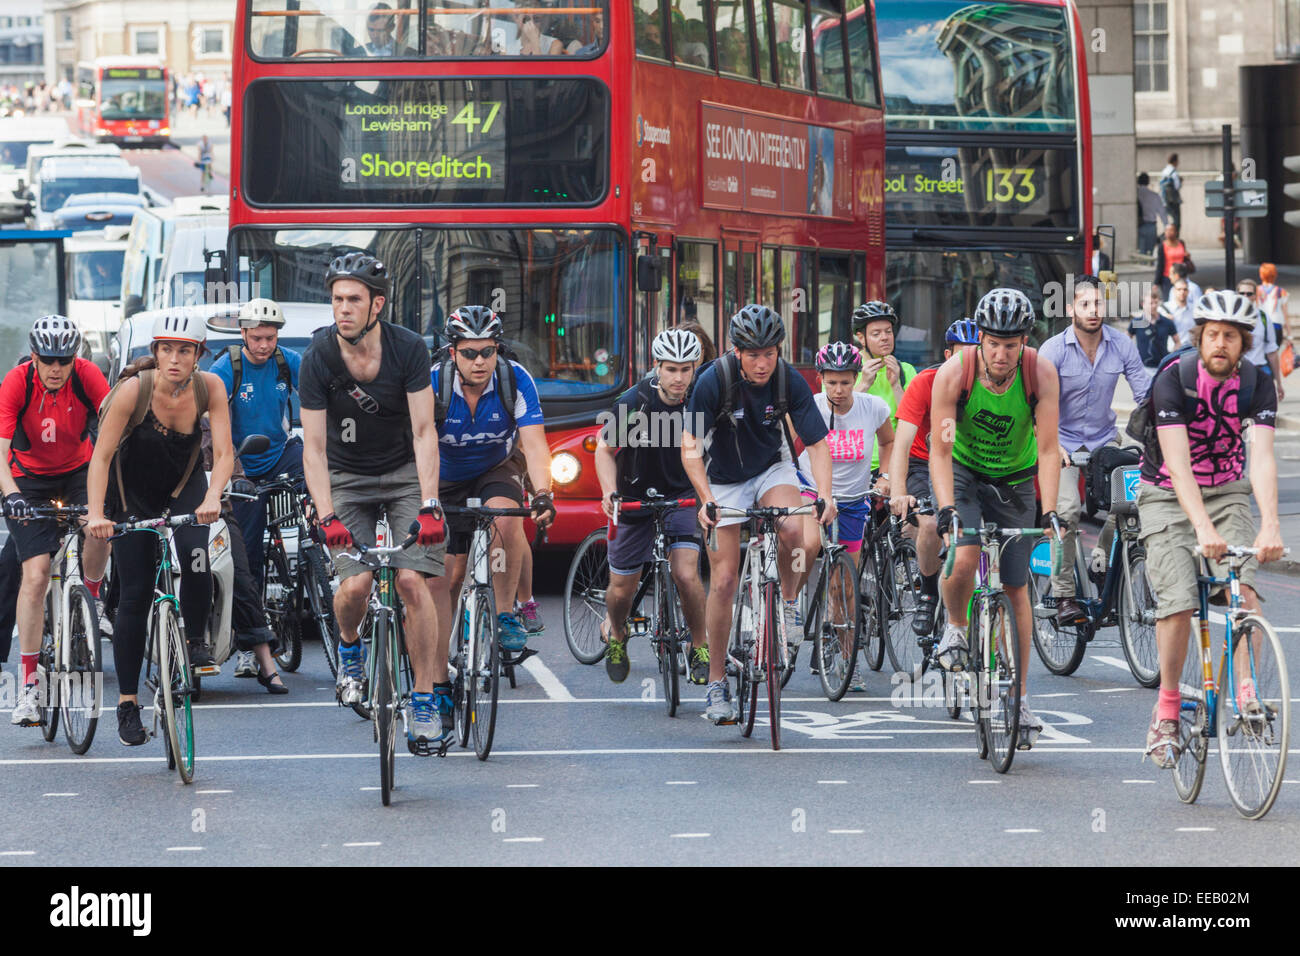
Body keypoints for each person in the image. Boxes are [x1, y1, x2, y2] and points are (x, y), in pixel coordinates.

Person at [298, 253, 448, 749]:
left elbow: (426, 432)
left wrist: (429, 504)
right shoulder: (318, 356)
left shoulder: (408, 349)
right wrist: (326, 516)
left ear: (377, 304)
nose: (343, 308)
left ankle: (424, 701)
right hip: (346, 478)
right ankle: (349, 650)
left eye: (354, 299)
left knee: (410, 582)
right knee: (356, 584)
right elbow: (313, 448)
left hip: (405, 475)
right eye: (337, 299)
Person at [1136, 291, 1283, 768]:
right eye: (1213, 335)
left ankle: (1246, 692)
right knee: (1178, 603)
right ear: (1199, 337)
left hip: (1227, 489)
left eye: (1232, 337)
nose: (1221, 344)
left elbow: (1260, 458)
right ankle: (1168, 711)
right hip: (1165, 493)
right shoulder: (1173, 379)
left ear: (1244, 344)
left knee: (1245, 592)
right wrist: (1200, 527)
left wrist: (1272, 526)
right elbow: (1177, 466)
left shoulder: (1258, 385)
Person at [681, 305, 836, 725]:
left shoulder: (787, 379)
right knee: (726, 579)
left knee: (800, 533)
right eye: (753, 355)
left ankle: (786, 603)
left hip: (771, 468)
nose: (763, 362)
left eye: (769, 352)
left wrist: (825, 494)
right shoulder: (713, 380)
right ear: (737, 351)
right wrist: (705, 498)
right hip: (723, 478)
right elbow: (690, 446)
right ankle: (716, 684)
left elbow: (818, 444)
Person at [86, 312, 234, 746]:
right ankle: (128, 703)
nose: (174, 358)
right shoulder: (134, 390)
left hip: (184, 484)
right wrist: (98, 514)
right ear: (155, 353)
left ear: (198, 355)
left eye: (184, 350)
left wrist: (212, 498)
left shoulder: (211, 387)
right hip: (131, 494)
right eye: (166, 349)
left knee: (196, 556)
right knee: (134, 595)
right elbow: (101, 457)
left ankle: (193, 641)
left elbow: (224, 453)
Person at [929, 289, 1062, 749]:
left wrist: (1049, 511)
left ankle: (1021, 699)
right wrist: (947, 508)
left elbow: (1048, 450)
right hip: (964, 472)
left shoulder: (1039, 372)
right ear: (980, 340)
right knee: (963, 559)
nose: (1002, 354)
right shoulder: (954, 374)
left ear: (1024, 341)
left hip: (1016, 478)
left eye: (1012, 344)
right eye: (994, 344)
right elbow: (941, 452)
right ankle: (956, 628)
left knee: (1016, 586)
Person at [424, 306, 555, 731]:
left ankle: (502, 613)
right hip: (442, 478)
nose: (480, 361)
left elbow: (534, 445)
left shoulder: (514, 378)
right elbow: (417, 444)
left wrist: (544, 493)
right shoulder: (432, 384)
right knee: (447, 576)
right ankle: (439, 680)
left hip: (494, 468)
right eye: (469, 353)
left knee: (506, 516)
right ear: (452, 352)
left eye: (488, 351)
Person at [0, 317, 110, 728]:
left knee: (100, 528)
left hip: (79, 470)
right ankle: (29, 686)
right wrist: (11, 495)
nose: (56, 368)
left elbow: (114, 427)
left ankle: (93, 601)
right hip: (26, 479)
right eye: (48, 359)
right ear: (34, 357)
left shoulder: (87, 376)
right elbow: (1, 449)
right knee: (36, 572)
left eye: (64, 359)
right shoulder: (16, 382)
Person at [595, 328, 709, 684]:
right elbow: (603, 450)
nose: (678, 378)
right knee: (621, 590)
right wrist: (609, 492)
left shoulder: (701, 402)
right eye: (671, 369)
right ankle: (616, 633)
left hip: (683, 498)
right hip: (633, 498)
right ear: (657, 366)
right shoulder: (634, 402)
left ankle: (700, 646)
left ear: (695, 368)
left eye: (686, 369)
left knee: (687, 574)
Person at [1039, 276, 1149, 624]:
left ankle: (1102, 559)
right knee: (1068, 511)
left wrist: (1158, 437)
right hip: (1061, 441)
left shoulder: (1122, 345)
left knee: (1133, 503)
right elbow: (1038, 404)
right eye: (1085, 304)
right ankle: (1063, 595)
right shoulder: (1052, 350)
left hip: (1104, 439)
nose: (1093, 311)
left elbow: (1145, 395)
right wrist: (1053, 446)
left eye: (1099, 304)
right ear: (1071, 308)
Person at [209, 298, 303, 689]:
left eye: (271, 337)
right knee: (245, 556)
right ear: (244, 333)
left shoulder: (288, 361)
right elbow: (214, 427)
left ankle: (315, 551)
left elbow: (318, 398)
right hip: (242, 464)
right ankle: (250, 648)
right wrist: (237, 472)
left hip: (281, 454)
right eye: (258, 338)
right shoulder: (226, 367)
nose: (265, 345)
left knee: (319, 473)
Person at [796, 341, 893, 691]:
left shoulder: (875, 408)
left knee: (844, 585)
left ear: (856, 379)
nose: (838, 390)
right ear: (820, 378)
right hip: (812, 492)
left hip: (853, 501)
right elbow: (786, 446)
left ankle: (845, 656)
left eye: (845, 382)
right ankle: (792, 608)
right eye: (831, 382)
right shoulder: (810, 408)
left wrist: (885, 477)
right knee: (807, 543)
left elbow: (889, 444)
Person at [888, 318, 982, 640]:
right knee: (928, 524)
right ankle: (928, 592)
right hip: (921, 462)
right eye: (961, 354)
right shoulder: (925, 382)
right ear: (947, 355)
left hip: (965, 464)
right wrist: (898, 493)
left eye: (975, 354)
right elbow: (900, 443)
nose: (969, 362)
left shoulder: (990, 385)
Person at [851, 300, 916, 471]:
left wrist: (896, 386)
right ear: (861, 338)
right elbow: (833, 417)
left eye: (888, 331)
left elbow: (913, 422)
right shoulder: (844, 371)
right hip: (854, 467)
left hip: (897, 465)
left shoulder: (906, 371)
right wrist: (863, 384)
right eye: (876, 333)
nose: (885, 337)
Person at [1233, 278, 1284, 401]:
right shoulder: (1231, 318)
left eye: (1249, 294)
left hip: (1259, 370)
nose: (1245, 296)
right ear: (1237, 295)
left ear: (1255, 296)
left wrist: (1279, 383)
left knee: (1260, 410)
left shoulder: (1263, 317)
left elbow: (1272, 352)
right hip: (1236, 373)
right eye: (1242, 293)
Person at [1129, 286, 1179, 370]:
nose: (1154, 306)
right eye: (1150, 303)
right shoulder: (1136, 322)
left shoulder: (1167, 322)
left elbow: (1177, 342)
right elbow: (1125, 340)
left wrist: (1172, 357)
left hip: (1162, 367)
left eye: (1156, 302)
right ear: (1143, 304)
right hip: (1142, 368)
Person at [1153, 224, 1191, 298]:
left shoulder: (1181, 243)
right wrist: (1156, 282)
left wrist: (1187, 256)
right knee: (1169, 298)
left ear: (1176, 232)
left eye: (1171, 230)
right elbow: (1160, 264)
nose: (1169, 232)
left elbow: (1185, 257)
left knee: (1182, 297)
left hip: (1181, 276)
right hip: (1168, 278)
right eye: (1167, 230)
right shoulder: (1162, 246)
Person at [1258, 263, 1290, 347]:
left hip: (1261, 325)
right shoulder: (1281, 292)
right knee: (1274, 352)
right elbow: (1285, 315)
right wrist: (1289, 334)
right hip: (1276, 326)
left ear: (1261, 275)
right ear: (1275, 275)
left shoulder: (1256, 291)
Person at [1136, 172, 1168, 256]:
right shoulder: (1154, 195)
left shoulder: (1135, 195)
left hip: (1139, 226)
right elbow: (1162, 213)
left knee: (1141, 253)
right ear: (1148, 182)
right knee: (1149, 253)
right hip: (1151, 226)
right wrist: (1167, 226)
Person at [1166, 277, 1195, 342]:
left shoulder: (1195, 309)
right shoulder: (1164, 308)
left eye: (1185, 289)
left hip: (1190, 349)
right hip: (1172, 349)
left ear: (1188, 291)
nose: (1182, 292)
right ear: (1174, 291)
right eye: (1179, 289)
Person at [1159, 153, 1182, 233]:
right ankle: (1173, 237)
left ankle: (1167, 235)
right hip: (1174, 201)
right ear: (1175, 161)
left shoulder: (1164, 171)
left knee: (1169, 222)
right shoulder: (1174, 173)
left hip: (1165, 200)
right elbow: (1177, 186)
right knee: (1177, 222)